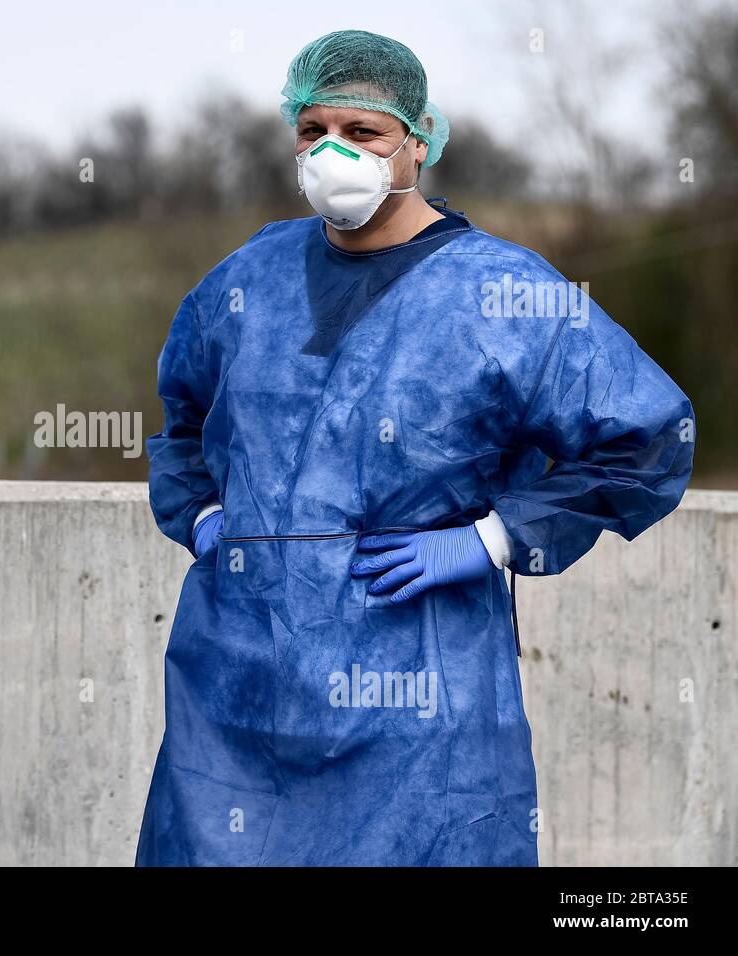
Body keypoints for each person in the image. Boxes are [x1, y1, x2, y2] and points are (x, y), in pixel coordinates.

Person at [138, 31, 694, 866]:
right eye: (311, 129)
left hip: (418, 709)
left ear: (419, 140)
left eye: (362, 132)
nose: (331, 151)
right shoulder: (246, 281)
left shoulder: (504, 294)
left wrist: (490, 539)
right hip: (239, 699)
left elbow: (649, 441)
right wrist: (206, 515)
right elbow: (182, 422)